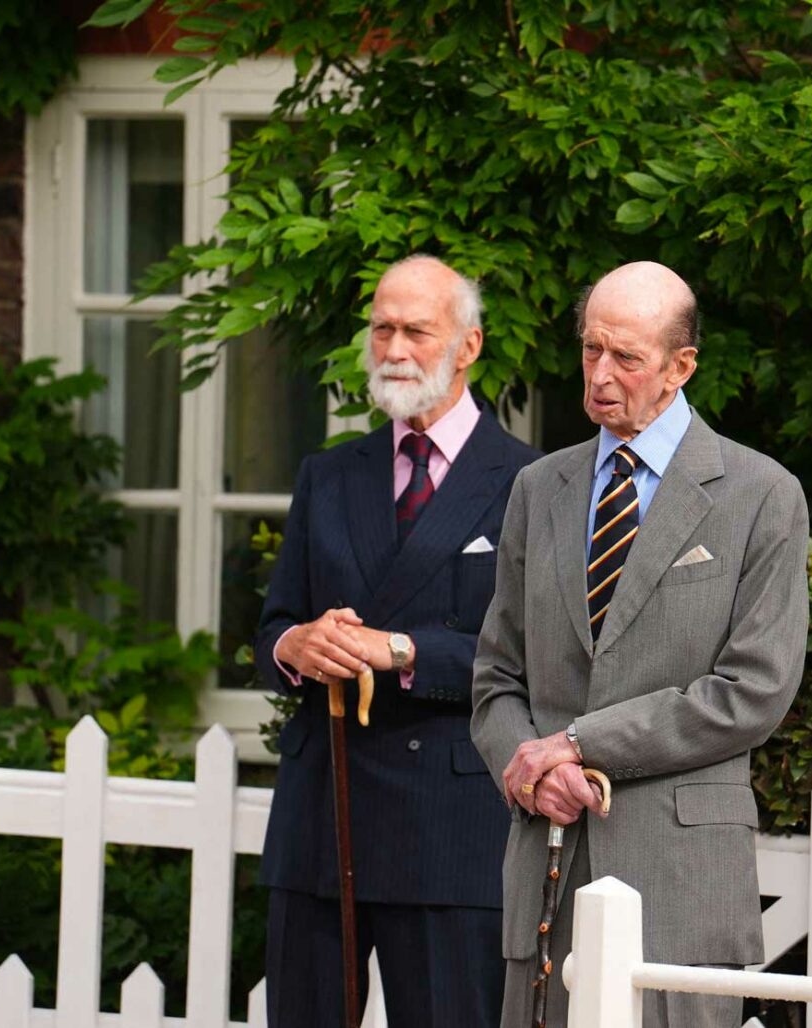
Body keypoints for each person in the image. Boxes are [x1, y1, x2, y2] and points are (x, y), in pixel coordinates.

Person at [470, 261, 810, 1028]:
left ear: (680, 366)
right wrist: (530, 773)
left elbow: (753, 691)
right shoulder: (539, 489)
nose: (600, 375)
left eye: (626, 357)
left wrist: (577, 744)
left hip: (681, 892)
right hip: (549, 875)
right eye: (591, 349)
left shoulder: (762, 494)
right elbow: (496, 678)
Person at [254, 254, 541, 1027]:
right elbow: (272, 628)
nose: (395, 349)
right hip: (324, 816)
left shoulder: (531, 482)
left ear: (469, 346)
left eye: (417, 331)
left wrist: (403, 651)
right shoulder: (328, 474)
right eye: (382, 329)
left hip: (451, 828)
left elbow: (540, 663)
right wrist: (297, 646)